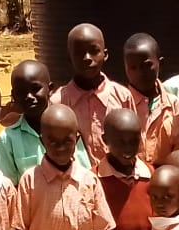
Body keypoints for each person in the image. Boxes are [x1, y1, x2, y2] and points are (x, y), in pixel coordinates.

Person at [52, 23, 137, 165]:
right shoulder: (58, 103)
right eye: (79, 53)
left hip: (117, 180)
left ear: (105, 54)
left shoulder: (123, 97)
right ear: (69, 59)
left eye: (94, 51)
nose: (87, 58)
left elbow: (135, 141)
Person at [0, 59, 92, 185]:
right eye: (21, 91)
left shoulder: (67, 127)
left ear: (50, 89)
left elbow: (84, 174)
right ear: (13, 96)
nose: (29, 96)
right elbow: (8, 187)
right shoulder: (8, 139)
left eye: (35, 88)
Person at [124, 32, 178, 163]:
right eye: (133, 67)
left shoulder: (175, 106)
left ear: (161, 63)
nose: (140, 73)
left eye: (147, 66)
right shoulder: (120, 104)